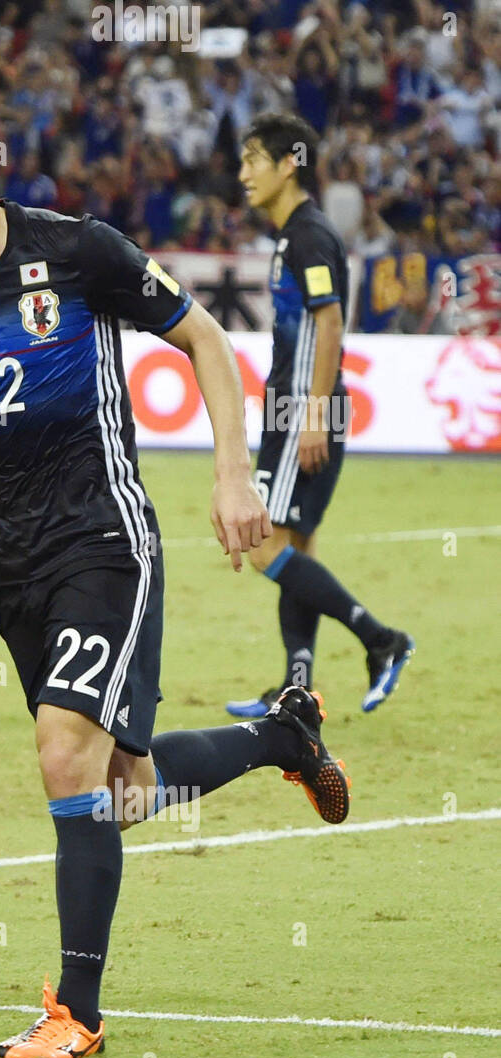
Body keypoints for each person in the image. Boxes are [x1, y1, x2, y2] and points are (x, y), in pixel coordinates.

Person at [0, 92, 352, 1058]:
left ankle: (77, 1009)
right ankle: (283, 733)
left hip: (104, 539)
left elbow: (205, 341)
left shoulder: (75, 250)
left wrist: (233, 473)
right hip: (8, 561)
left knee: (63, 749)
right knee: (123, 787)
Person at [228, 113, 413, 719]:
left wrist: (311, 412)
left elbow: (330, 322)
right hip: (304, 403)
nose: (242, 173)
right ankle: (295, 691)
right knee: (295, 548)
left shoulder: (309, 236)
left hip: (303, 406)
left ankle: (381, 640)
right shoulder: (293, 235)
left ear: (289, 165)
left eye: (254, 159)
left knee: (263, 547)